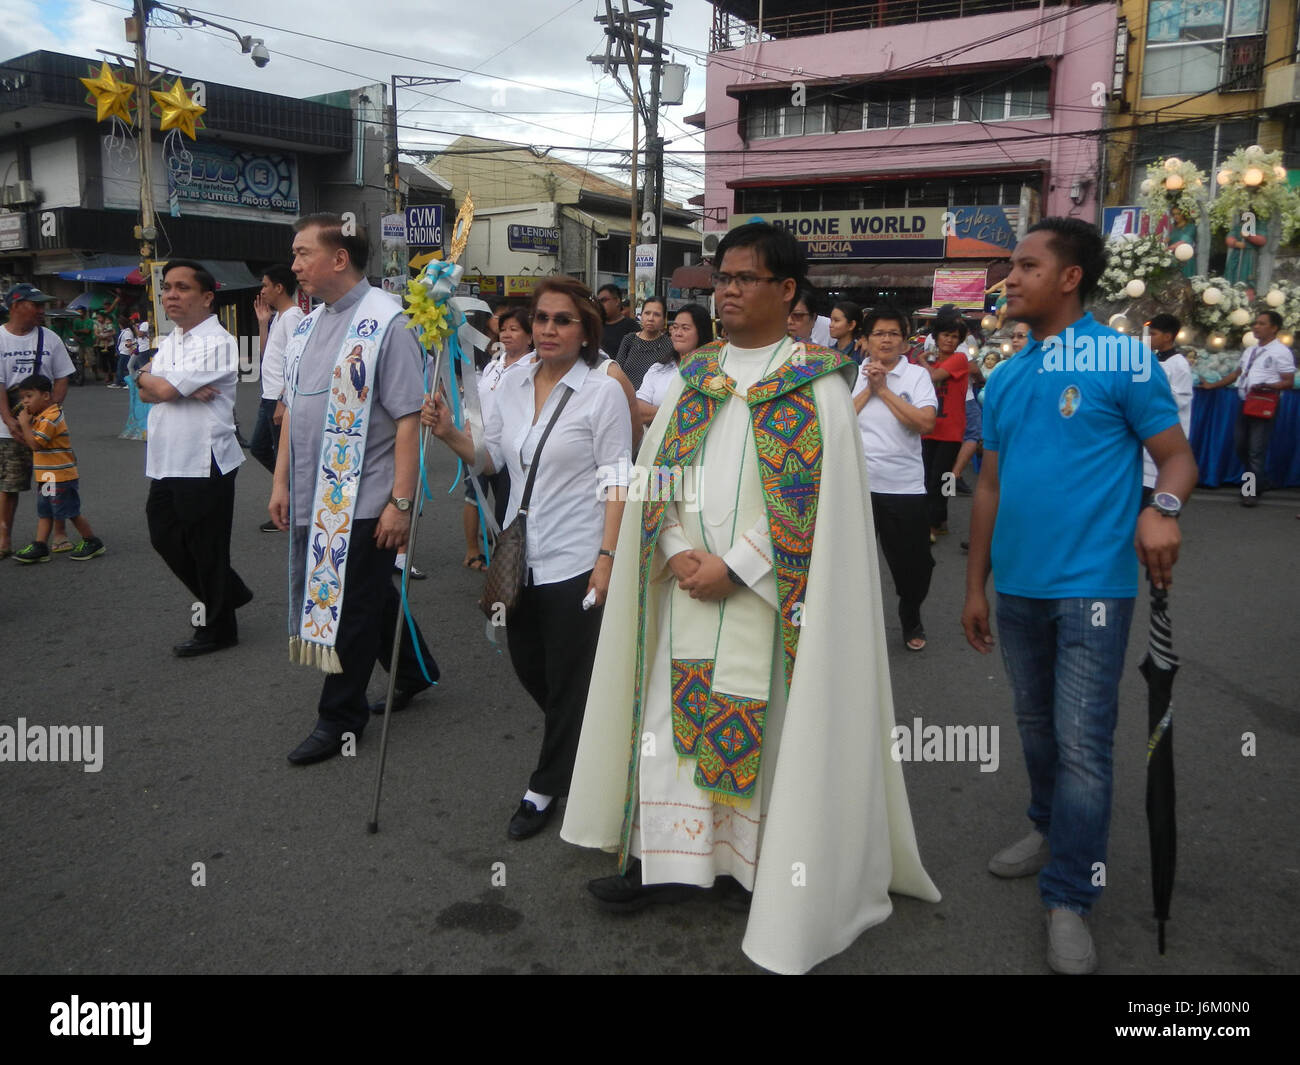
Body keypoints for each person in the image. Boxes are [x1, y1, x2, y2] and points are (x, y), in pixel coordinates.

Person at [561, 222, 939, 975]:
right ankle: (660, 859)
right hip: (684, 589)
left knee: (765, 737)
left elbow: (811, 504)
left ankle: (756, 870)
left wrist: (735, 566)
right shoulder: (692, 377)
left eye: (744, 278)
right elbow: (655, 483)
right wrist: (674, 551)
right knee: (668, 726)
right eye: (720, 278)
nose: (725, 290)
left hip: (772, 604)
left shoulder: (819, 385)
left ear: (787, 289)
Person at [962, 217, 1197, 975]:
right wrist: (975, 583)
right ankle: (1048, 827)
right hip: (1020, 588)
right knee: (1037, 730)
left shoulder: (1125, 360)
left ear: (1070, 278)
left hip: (1094, 587)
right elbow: (990, 484)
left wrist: (1162, 512)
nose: (1011, 277)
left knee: (1084, 743)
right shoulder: (1005, 374)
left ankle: (1070, 894)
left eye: (1027, 265)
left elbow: (1177, 458)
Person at [425, 276, 631, 840]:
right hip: (518, 556)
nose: (548, 329)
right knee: (528, 665)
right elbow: (491, 460)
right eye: (541, 318)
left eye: (563, 319)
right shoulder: (511, 383)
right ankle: (591, 743)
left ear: (586, 329)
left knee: (567, 679)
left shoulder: (602, 390)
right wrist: (448, 433)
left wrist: (607, 558)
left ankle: (544, 787)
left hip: (576, 557)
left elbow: (618, 478)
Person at [269, 213, 438, 765]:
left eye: (302, 254)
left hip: (365, 495)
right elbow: (294, 408)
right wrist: (280, 482)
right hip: (317, 490)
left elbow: (409, 417)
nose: (293, 266)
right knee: (367, 594)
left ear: (339, 258)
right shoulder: (306, 324)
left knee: (350, 610)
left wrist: (401, 502)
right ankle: (415, 668)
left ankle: (340, 718)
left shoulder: (388, 322)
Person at [136, 260, 252, 658]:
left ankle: (218, 629)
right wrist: (157, 381)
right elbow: (146, 385)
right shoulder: (173, 339)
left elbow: (163, 390)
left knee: (207, 548)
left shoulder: (216, 341)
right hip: (168, 458)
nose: (171, 295)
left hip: (204, 459)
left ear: (206, 297)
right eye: (167, 287)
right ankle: (229, 591)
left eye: (182, 288)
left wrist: (167, 384)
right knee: (163, 535)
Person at [851, 307, 937, 651]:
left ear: (904, 341)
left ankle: (911, 614)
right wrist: (867, 389)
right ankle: (851, 625)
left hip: (904, 487)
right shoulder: (850, 374)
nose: (886, 339)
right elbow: (837, 421)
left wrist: (883, 390)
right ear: (865, 341)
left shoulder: (917, 376)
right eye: (878, 333)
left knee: (913, 566)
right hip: (857, 485)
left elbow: (925, 423)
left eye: (893, 334)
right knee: (851, 561)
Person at [1, 284, 76, 560]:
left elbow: (62, 377)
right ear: (16, 306)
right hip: (8, 425)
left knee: (51, 480)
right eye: (37, 305)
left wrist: (50, 412)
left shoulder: (50, 338)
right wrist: (10, 421)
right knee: (9, 484)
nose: (42, 310)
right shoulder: (0, 339)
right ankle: (4, 537)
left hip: (47, 427)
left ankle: (58, 533)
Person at [461, 306, 533, 570]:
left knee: (508, 511)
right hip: (482, 445)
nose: (506, 335)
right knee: (478, 499)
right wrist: (469, 424)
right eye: (503, 329)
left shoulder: (534, 366)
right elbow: (476, 399)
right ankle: (483, 555)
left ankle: (510, 569)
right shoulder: (494, 364)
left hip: (512, 451)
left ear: (530, 336)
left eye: (514, 329)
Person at [1201, 309, 1295, 506]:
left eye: (1262, 324)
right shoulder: (1250, 350)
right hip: (1245, 402)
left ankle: (1250, 491)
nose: (1256, 327)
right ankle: (1260, 481)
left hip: (1263, 404)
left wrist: (1268, 386)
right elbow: (1237, 373)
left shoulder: (1281, 352)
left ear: (1274, 328)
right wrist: (1214, 385)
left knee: (1255, 449)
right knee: (1240, 445)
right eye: (1255, 323)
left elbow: (1288, 381)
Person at [10, 373, 106, 563]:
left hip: (61, 476)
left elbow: (36, 444)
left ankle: (92, 541)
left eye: (29, 396)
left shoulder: (51, 417)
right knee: (45, 509)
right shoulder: (40, 417)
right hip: (47, 475)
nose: (25, 402)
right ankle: (40, 545)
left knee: (69, 510)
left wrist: (24, 425)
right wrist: (27, 423)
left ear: (45, 396)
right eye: (23, 398)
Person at [251, 265, 305, 531]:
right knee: (260, 448)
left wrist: (284, 400)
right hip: (269, 395)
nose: (262, 290)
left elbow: (299, 360)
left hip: (278, 398)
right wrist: (263, 323)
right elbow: (267, 355)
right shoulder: (280, 317)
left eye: (265, 285)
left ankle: (294, 505)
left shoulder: (294, 316)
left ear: (279, 288)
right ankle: (294, 498)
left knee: (279, 454)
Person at [919, 315, 969, 540]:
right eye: (946, 335)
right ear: (936, 337)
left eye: (954, 337)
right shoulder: (933, 360)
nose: (950, 340)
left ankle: (930, 526)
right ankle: (942, 519)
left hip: (950, 430)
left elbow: (933, 376)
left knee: (939, 478)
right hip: (929, 428)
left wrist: (921, 361)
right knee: (932, 476)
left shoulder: (959, 359)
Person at [1142, 313, 1194, 505]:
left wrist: (1151, 392)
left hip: (1165, 427)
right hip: (1147, 424)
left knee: (1154, 483)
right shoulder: (1151, 358)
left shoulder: (1179, 364)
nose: (1149, 338)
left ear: (1168, 336)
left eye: (1153, 334)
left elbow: (1181, 398)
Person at [636, 303, 713, 428]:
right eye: (675, 327)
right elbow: (638, 408)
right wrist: (678, 414)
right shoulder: (659, 368)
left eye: (685, 328)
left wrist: (655, 413)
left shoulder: (712, 371)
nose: (678, 333)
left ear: (701, 332)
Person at [613, 295, 673, 391]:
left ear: (663, 319)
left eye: (657, 314)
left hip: (652, 401)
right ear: (641, 315)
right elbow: (617, 371)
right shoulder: (629, 339)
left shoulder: (669, 344)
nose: (651, 318)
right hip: (626, 397)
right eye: (647, 313)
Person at [597, 284, 637, 356]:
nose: (600, 304)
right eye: (598, 301)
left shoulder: (631, 327)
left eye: (604, 300)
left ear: (617, 301)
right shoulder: (595, 326)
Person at [828, 299, 864, 364]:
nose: (831, 325)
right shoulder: (827, 352)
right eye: (831, 320)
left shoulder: (862, 353)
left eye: (836, 320)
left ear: (851, 325)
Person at [114, 315, 143, 389]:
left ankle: (124, 382)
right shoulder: (126, 331)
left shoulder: (127, 332)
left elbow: (129, 342)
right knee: (129, 367)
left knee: (127, 367)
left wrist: (131, 351)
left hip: (126, 352)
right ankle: (127, 382)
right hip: (125, 351)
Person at [94, 311, 116, 383]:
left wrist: (108, 335)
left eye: (99, 317)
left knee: (112, 360)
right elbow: (96, 333)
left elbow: (114, 332)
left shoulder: (109, 324)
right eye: (97, 318)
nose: (98, 319)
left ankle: (113, 375)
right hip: (101, 345)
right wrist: (101, 337)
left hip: (110, 344)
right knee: (104, 362)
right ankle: (107, 376)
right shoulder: (96, 324)